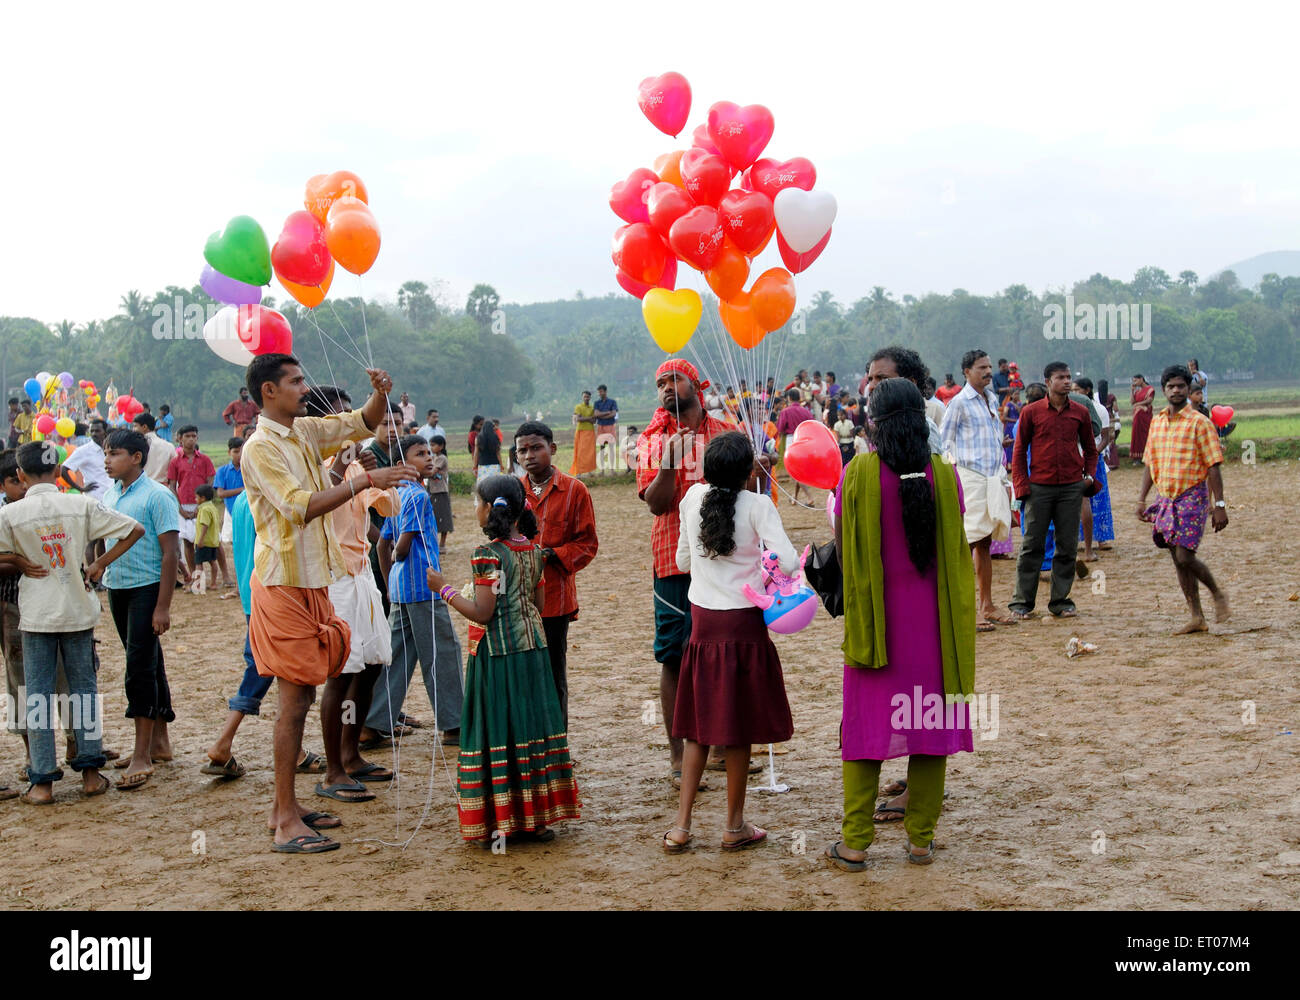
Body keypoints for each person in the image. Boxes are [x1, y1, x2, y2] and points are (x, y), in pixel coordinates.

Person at [240, 354, 414, 853]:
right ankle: (285, 818)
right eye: (295, 381)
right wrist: (362, 481)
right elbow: (297, 507)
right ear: (269, 391)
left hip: (314, 580)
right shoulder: (259, 448)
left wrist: (380, 394)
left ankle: (285, 806)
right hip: (283, 583)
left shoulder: (304, 432)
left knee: (304, 698)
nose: (303, 387)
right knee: (294, 703)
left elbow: (360, 421)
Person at [826, 378, 975, 870]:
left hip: (878, 632)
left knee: (866, 735)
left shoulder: (859, 472)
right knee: (930, 734)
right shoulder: (943, 474)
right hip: (934, 634)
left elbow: (844, 549)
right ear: (922, 419)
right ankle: (920, 841)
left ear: (873, 422)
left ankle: (855, 844)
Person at [426, 474, 580, 844]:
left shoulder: (488, 555)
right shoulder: (533, 550)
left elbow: (482, 612)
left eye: (477, 503)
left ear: (490, 508)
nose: (474, 510)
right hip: (534, 652)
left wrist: (443, 589)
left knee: (499, 729)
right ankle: (537, 818)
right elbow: (538, 605)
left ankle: (502, 820)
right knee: (531, 729)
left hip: (499, 656)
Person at [663, 432, 796, 854]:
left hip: (702, 626)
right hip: (744, 626)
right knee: (738, 730)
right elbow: (789, 562)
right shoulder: (758, 505)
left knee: (698, 729)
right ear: (747, 472)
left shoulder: (690, 500)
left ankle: (681, 826)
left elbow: (684, 561)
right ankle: (733, 826)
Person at [0, 441, 145, 803]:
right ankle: (91, 775)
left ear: (21, 474)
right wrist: (99, 564)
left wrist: (18, 561)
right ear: (57, 471)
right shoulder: (80, 504)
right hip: (78, 609)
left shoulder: (12, 513)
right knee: (83, 691)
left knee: (37, 695)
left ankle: (43, 782)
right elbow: (134, 529)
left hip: (36, 613)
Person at [637, 358, 733, 788]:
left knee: (723, 651)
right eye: (660, 383)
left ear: (696, 383)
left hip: (725, 557)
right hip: (673, 560)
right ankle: (679, 757)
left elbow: (746, 494)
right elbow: (656, 504)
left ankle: (718, 748)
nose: (666, 388)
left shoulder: (726, 433)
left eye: (674, 379)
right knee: (674, 654)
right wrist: (669, 464)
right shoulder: (651, 439)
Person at [305, 386, 402, 798]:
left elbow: (390, 507)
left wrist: (377, 473)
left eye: (352, 417)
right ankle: (332, 770)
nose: (350, 425)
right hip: (335, 578)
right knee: (341, 673)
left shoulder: (353, 465)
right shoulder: (310, 462)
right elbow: (309, 506)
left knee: (371, 665)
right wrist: (348, 470)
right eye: (341, 418)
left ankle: (350, 753)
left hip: (361, 576)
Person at [201, 488, 324, 781]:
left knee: (268, 667)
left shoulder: (244, 498)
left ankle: (238, 743)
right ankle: (225, 740)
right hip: (274, 591)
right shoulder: (274, 495)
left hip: (251, 589)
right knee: (274, 670)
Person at [364, 435, 464, 748]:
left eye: (428, 452)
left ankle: (372, 721)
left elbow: (381, 543)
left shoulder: (396, 495)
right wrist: (397, 562)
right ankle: (455, 723)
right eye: (419, 454)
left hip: (401, 589)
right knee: (443, 653)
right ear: (401, 465)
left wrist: (389, 582)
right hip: (423, 588)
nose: (428, 457)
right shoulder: (417, 496)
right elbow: (399, 547)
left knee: (397, 657)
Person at [101, 428, 182, 788]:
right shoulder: (109, 494)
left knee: (138, 667)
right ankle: (160, 742)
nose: (107, 460)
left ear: (136, 457)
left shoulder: (157, 495)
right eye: (105, 454)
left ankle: (141, 754)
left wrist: (163, 606)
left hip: (146, 589)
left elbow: (170, 553)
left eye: (114, 454)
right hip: (117, 587)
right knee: (149, 661)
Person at [515, 420, 598, 729]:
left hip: (554, 600)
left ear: (552, 448)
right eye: (522, 450)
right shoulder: (512, 491)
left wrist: (552, 555)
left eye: (536, 448)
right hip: (516, 600)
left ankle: (556, 742)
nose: (529, 455)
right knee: (520, 672)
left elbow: (587, 544)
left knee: (552, 673)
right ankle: (526, 741)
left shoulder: (575, 490)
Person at [1137, 365, 1230, 635]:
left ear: (1189, 389)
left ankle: (1217, 594)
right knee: (1176, 558)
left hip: (1192, 496)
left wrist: (1220, 506)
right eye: (1171, 386)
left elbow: (1213, 465)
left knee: (1185, 555)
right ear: (1164, 390)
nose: (1176, 390)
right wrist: (1141, 500)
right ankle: (1196, 616)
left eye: (1181, 386)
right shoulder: (1157, 422)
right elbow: (1149, 463)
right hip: (1165, 497)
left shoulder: (1200, 422)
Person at [1008, 363, 1097, 620]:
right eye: (1061, 378)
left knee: (1067, 546)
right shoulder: (1031, 412)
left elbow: (1090, 449)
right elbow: (1019, 451)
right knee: (1031, 545)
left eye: (1069, 377)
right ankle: (1021, 603)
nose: (1067, 382)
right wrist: (1021, 486)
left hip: (1071, 487)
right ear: (1048, 381)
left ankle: (1060, 601)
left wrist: (1089, 477)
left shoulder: (1079, 412)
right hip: (1039, 488)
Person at [939, 349, 1014, 631]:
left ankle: (987, 604)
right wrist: (953, 475)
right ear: (967, 372)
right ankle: (965, 608)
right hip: (969, 477)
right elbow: (944, 443)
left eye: (989, 366)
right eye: (982, 367)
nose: (987, 371)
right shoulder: (958, 403)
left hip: (992, 477)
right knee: (966, 542)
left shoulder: (992, 399)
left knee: (984, 542)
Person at [865, 346, 944, 454]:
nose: (871, 386)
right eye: (870, 379)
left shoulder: (924, 430)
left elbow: (932, 469)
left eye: (882, 378)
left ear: (910, 382)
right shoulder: (877, 425)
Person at [1072, 377, 1114, 562]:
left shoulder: (1099, 409)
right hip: (1082, 457)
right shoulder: (1073, 406)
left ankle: (1102, 539)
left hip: (1093, 457)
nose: (1074, 393)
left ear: (1087, 390)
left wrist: (1092, 453)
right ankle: (1083, 541)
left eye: (1077, 389)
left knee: (1097, 499)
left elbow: (1105, 437)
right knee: (1085, 501)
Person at [167, 424, 215, 582]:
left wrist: (202, 505)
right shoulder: (175, 462)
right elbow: (172, 486)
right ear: (180, 439)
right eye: (187, 436)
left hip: (202, 504)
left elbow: (210, 482)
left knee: (211, 540)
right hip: (184, 503)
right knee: (188, 541)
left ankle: (219, 575)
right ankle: (195, 576)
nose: (191, 439)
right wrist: (179, 508)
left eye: (194, 436)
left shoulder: (205, 459)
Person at [775, 388, 815, 506]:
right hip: (805, 439)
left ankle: (810, 497)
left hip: (792, 440)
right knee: (799, 470)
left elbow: (780, 428)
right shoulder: (806, 411)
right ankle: (795, 497)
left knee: (796, 471)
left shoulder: (786, 411)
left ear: (789, 398)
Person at [60, 418, 110, 500]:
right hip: (94, 499)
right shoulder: (84, 451)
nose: (94, 434)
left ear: (105, 432)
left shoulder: (110, 449)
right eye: (92, 431)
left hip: (110, 497)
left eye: (97, 431)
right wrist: (80, 489)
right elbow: (63, 469)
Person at [213, 436, 245, 555]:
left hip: (248, 511)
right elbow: (220, 493)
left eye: (241, 451)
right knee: (234, 543)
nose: (239, 455)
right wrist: (243, 490)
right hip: (231, 510)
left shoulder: (248, 468)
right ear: (229, 452)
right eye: (235, 452)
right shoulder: (223, 471)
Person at [191, 484, 225, 590]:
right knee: (212, 561)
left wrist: (200, 540)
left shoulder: (204, 509)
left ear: (203, 498)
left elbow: (205, 525)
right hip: (213, 541)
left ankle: (197, 585)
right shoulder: (213, 507)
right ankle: (213, 583)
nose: (195, 499)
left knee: (198, 563)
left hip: (203, 541)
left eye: (197, 497)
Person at [426, 433, 453, 549]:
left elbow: (432, 472)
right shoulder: (434, 458)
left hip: (440, 491)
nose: (431, 448)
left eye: (433, 445)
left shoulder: (441, 458)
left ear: (441, 446)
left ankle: (442, 543)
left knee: (442, 517)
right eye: (430, 445)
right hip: (433, 490)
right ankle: (437, 543)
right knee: (435, 517)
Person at [131, 413, 172, 484]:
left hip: (143, 487)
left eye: (135, 426)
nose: (133, 430)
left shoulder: (136, 446)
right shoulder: (169, 446)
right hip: (164, 488)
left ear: (144, 427)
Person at [570, 390, 598, 477]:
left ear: (590, 398)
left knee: (590, 452)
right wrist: (589, 418)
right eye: (585, 396)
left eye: (588, 397)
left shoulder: (592, 408)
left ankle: (589, 471)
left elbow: (594, 421)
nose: (586, 398)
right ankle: (578, 472)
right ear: (582, 397)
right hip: (581, 431)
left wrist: (585, 418)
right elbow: (578, 419)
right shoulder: (578, 407)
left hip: (590, 431)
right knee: (580, 452)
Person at [593, 384, 619, 475]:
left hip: (610, 426)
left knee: (611, 448)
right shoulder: (597, 403)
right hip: (601, 427)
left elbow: (613, 414)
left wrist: (601, 414)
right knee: (602, 449)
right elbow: (596, 414)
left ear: (605, 391)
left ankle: (612, 470)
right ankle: (602, 470)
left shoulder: (612, 402)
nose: (600, 393)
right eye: (599, 392)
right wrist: (607, 413)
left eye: (601, 391)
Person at [475, 417, 503, 481]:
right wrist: (501, 465)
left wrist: (475, 466)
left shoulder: (478, 438)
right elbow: (498, 453)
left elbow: (476, 454)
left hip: (482, 465)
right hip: (495, 465)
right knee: (495, 485)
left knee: (484, 485)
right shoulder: (495, 438)